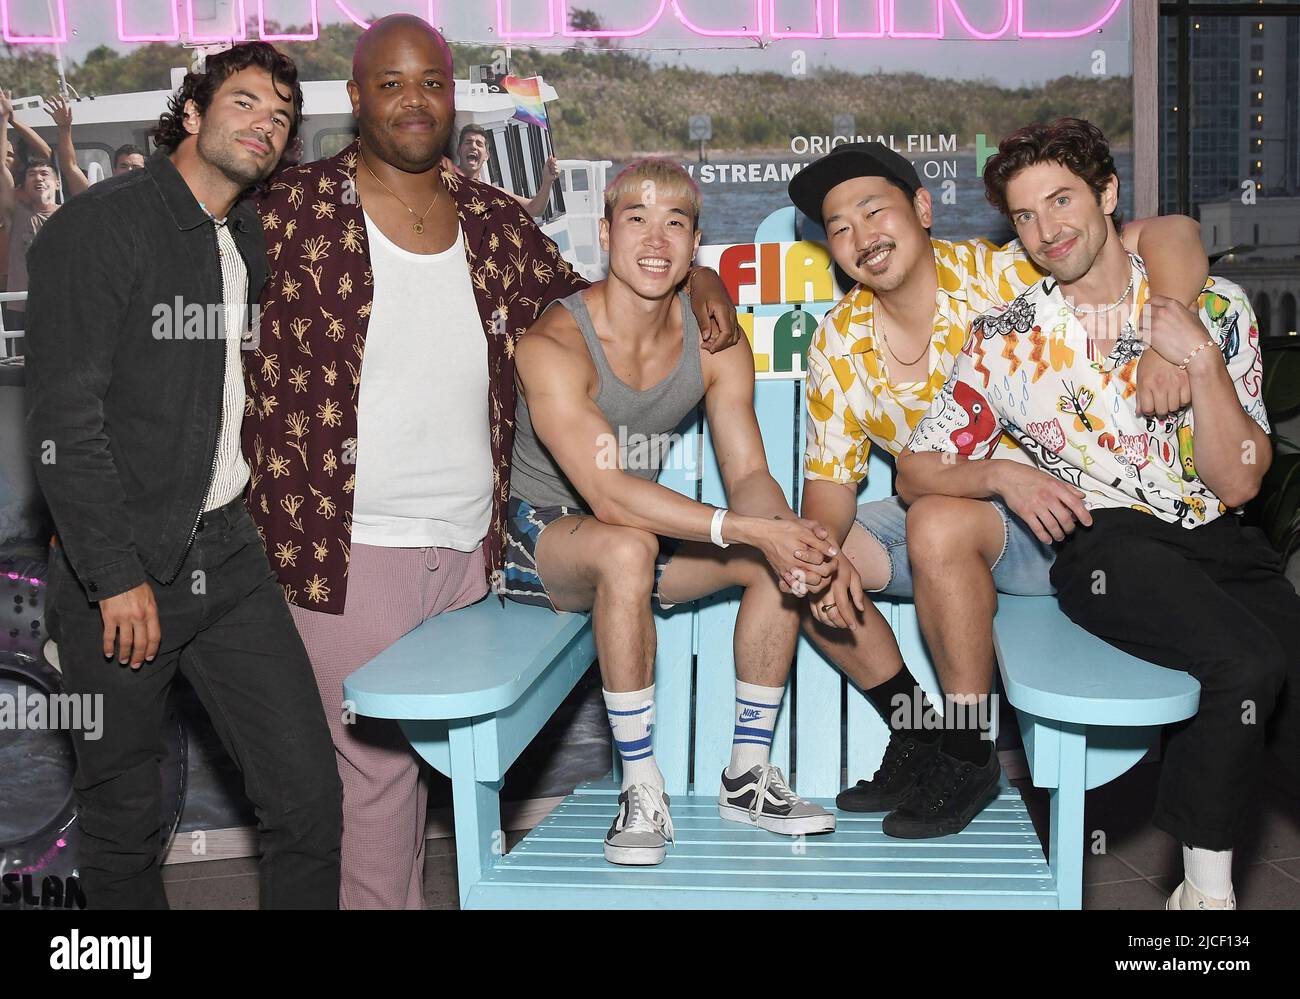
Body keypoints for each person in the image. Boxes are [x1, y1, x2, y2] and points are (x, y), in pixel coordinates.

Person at [243, 13, 741, 908]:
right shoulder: (288, 208)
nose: (413, 100)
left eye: (430, 82)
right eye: (390, 83)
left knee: (442, 779)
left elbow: (592, 298)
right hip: (344, 549)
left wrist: (698, 274)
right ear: (354, 98)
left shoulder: (494, 219)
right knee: (372, 783)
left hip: (475, 550)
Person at [899, 117, 1300, 908]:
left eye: (1061, 200)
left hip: (1221, 537)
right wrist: (1004, 475)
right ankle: (1204, 899)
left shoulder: (1213, 305)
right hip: (1108, 545)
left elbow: (1242, 484)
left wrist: (1195, 355)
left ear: (1108, 195)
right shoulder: (1007, 339)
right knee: (1243, 663)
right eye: (1024, 216)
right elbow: (916, 468)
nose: (1047, 230)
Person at [787, 141, 1210, 838]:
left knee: (936, 519)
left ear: (922, 209)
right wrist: (820, 557)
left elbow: (1174, 233)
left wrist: (1167, 336)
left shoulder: (1004, 272)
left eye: (874, 211)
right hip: (963, 513)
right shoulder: (839, 337)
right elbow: (828, 487)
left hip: (1071, 523)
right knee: (802, 564)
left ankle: (969, 746)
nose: (861, 238)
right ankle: (920, 731)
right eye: (839, 228)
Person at [25, 42, 342, 909]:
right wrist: (114, 573)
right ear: (193, 113)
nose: (264, 126)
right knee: (123, 820)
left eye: (280, 117)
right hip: (121, 568)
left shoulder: (240, 233)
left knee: (308, 798)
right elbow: (64, 422)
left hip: (228, 555)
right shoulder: (101, 226)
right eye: (243, 104)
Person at [503, 157, 839, 865]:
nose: (655, 241)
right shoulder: (554, 343)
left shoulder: (715, 340)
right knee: (628, 547)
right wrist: (742, 527)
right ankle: (641, 785)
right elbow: (608, 494)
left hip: (641, 537)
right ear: (604, 233)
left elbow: (747, 471)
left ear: (694, 247)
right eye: (637, 220)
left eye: (675, 224)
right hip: (542, 539)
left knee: (766, 556)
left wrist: (779, 535)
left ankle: (747, 776)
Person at [456, 121, 559, 217]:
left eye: (479, 144)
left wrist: (547, 181)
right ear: (459, 150)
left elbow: (534, 209)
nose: (473, 146)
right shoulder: (444, 186)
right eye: (468, 142)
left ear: (486, 156)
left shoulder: (494, 194)